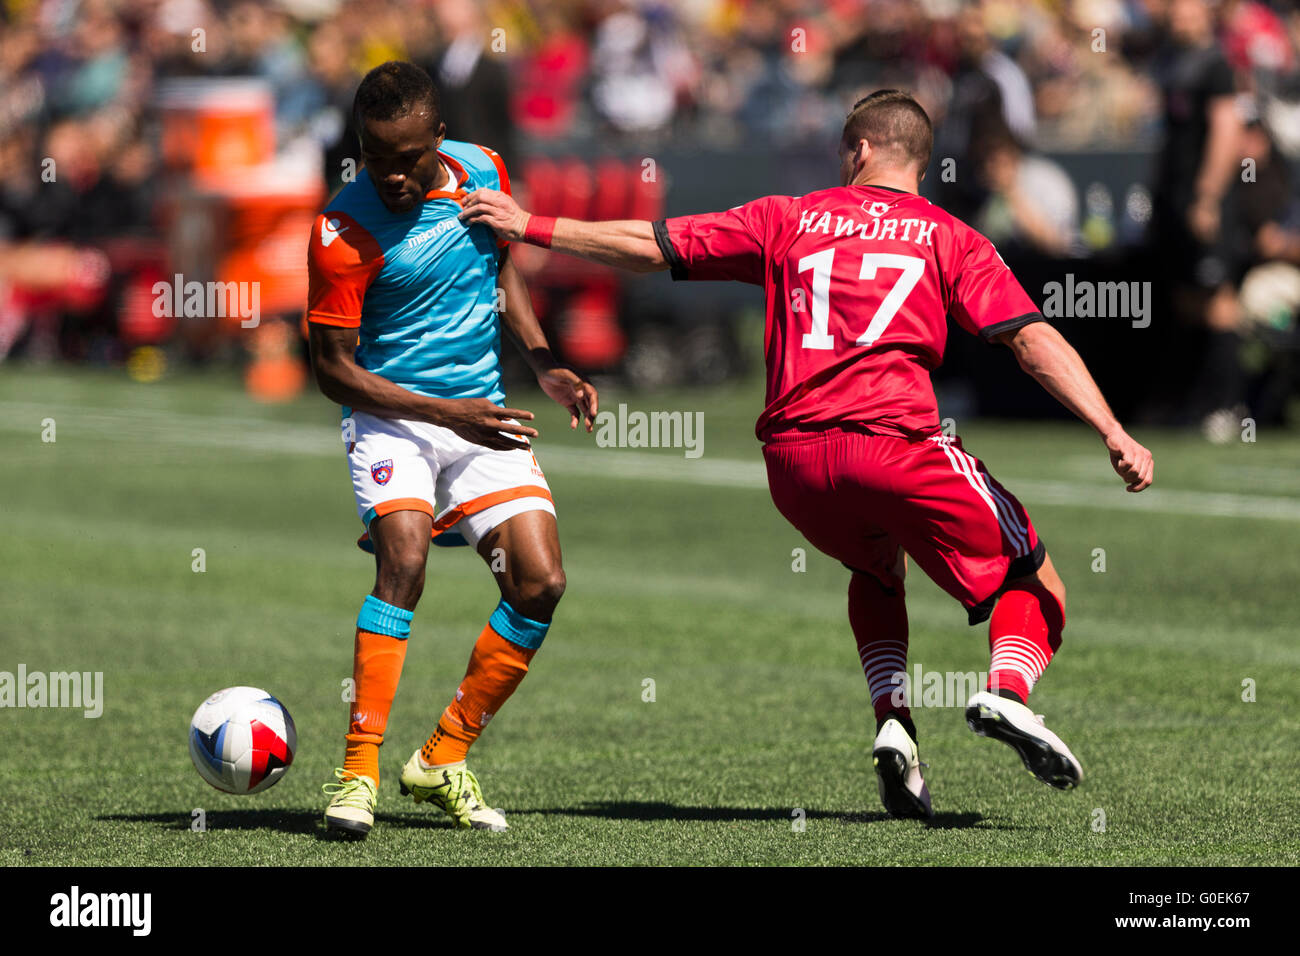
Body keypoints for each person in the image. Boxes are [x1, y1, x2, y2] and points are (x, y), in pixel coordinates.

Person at [461, 89, 1153, 819]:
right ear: (919, 157)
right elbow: (1030, 339)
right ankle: (1007, 695)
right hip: (895, 447)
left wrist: (529, 224)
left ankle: (894, 721)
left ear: (859, 150)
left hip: (795, 465)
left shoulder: (785, 218)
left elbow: (649, 245)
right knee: (1032, 579)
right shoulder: (951, 236)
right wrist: (1111, 428)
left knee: (874, 566)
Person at [306, 62, 598, 837]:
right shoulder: (342, 229)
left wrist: (542, 362)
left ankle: (441, 757)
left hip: (481, 415)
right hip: (391, 415)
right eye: (376, 158)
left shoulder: (482, 170)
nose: (393, 175)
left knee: (540, 583)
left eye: (406, 157)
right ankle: (357, 773)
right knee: (402, 560)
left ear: (439, 136)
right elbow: (334, 372)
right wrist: (446, 413)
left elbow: (503, 269)